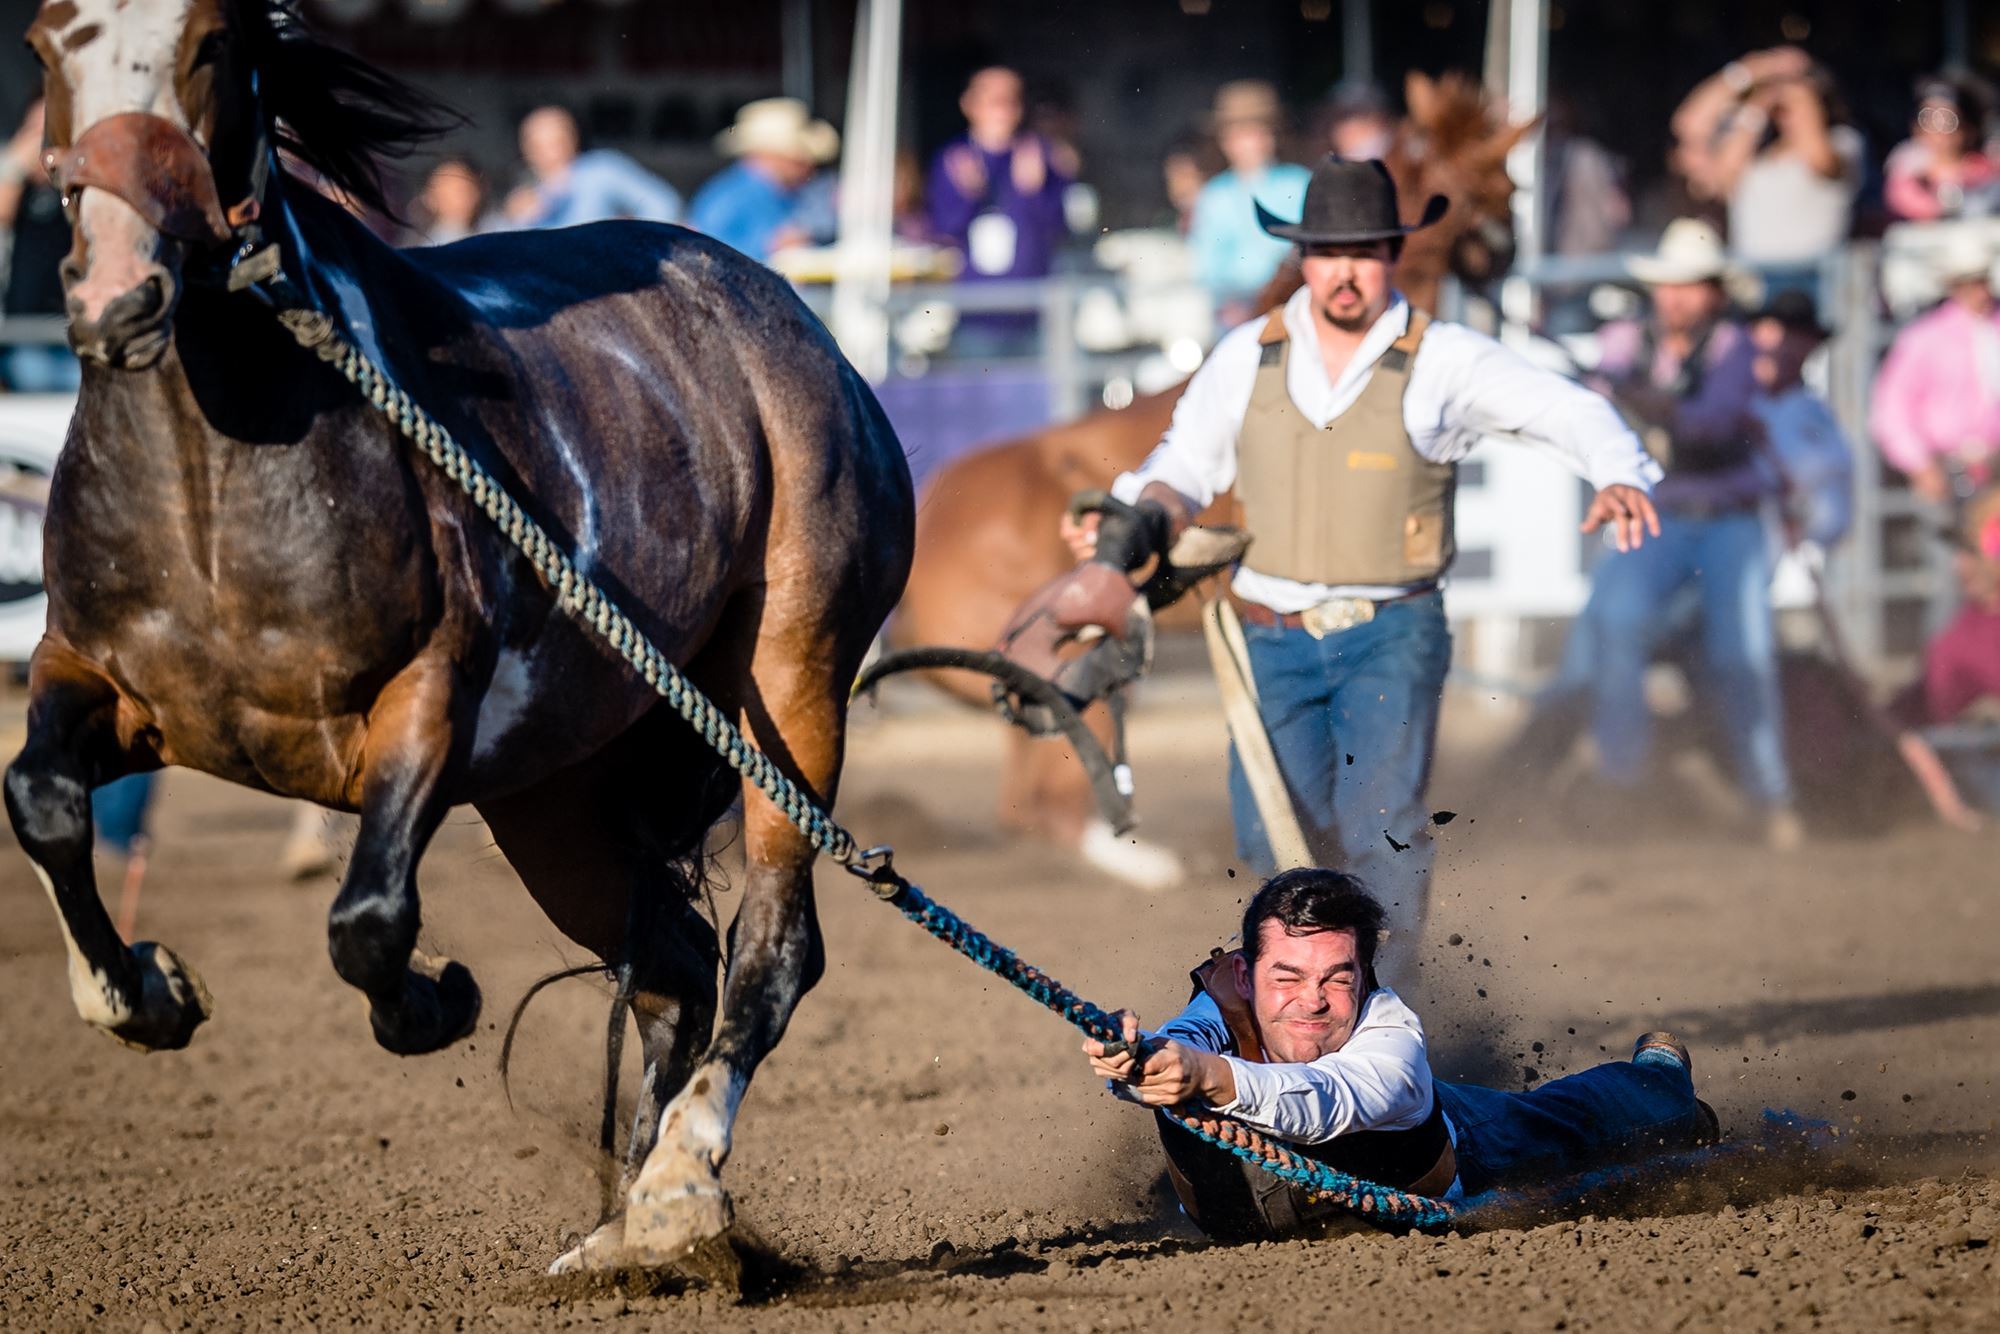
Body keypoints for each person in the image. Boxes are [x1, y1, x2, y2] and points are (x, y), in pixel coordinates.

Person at [1062, 159, 1660, 980]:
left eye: (1364, 251)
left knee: (1382, 824)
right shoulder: (1248, 355)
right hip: (1269, 636)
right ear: (1304, 259)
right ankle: (1305, 1006)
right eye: (1327, 252)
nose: (1345, 272)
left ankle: (1390, 1009)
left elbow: (1566, 408)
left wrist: (1617, 468)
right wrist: (1132, 525)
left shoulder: (1443, 359)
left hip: (1391, 629)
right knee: (1267, 836)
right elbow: (1183, 467)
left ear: (1392, 255)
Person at [1082, 870, 1717, 1241]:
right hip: (1283, 1193)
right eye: (1287, 977)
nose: (1312, 1001)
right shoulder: (1215, 1014)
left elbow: (1326, 1102)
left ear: (1365, 976)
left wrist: (1210, 1079)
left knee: (1574, 1119)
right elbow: (1177, 1048)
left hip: (1460, 1145)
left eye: (1337, 978)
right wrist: (1135, 1063)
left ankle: (1658, 1079)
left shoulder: (1392, 1039)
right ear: (1245, 976)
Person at [1572, 218, 1800, 848]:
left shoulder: (1736, 350)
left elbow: (1713, 425)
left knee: (1741, 658)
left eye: (1691, 286)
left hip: (1729, 521)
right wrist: (1618, 393)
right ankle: (1623, 784)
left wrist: (1642, 398)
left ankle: (1767, 793)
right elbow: (1596, 395)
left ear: (1714, 293)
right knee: (1614, 623)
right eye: (1669, 285)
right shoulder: (1627, 340)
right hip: (1660, 515)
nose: (1676, 298)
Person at [1671, 47, 1862, 269]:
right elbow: (1689, 127)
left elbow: (1821, 162)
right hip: (1751, 275)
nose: (1783, 111)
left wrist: (1799, 95)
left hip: (1811, 278)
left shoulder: (1843, 141)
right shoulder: (1754, 150)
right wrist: (1756, 71)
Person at [926, 67, 1071, 353]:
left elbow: (1060, 227)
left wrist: (1032, 193)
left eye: (1012, 100)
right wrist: (968, 196)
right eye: (994, 101)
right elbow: (944, 229)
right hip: (977, 315)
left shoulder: (1042, 155)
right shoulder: (954, 159)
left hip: (1033, 311)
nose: (1004, 109)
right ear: (970, 105)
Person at [1869, 230, 2000, 505]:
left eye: (1982, 282)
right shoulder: (1924, 338)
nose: (1979, 292)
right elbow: (1892, 406)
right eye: (1969, 283)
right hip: (1947, 466)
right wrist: (1918, 462)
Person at [1187, 81, 1312, 324]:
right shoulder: (1214, 196)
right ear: (1224, 140)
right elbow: (1208, 266)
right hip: (1235, 312)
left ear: (1273, 134)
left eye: (1257, 132)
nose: (1249, 142)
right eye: (1238, 134)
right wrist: (1231, 303)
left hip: (1294, 304)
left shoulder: (1299, 183)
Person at [1748, 289, 1851, 553]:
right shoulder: (1728, 400)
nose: (1783, 347)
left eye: (1795, 338)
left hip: (1792, 554)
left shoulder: (1813, 413)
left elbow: (1834, 502)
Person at [688, 98, 840, 264]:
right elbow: (705, 255)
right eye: (799, 157)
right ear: (774, 155)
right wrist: (773, 247)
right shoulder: (727, 198)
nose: (809, 165)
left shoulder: (787, 192)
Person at [0, 100, 81, 393]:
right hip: (25, 342)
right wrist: (15, 166)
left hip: (78, 339)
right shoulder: (18, 188)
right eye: (36, 131)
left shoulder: (78, 190)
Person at [502, 106, 683, 230]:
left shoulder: (600, 171)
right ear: (525, 150)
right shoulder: (526, 196)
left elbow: (664, 205)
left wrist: (629, 239)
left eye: (556, 143)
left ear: (573, 140)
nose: (549, 154)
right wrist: (515, 219)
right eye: (538, 145)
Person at [1884, 76, 1999, 222]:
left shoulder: (1985, 169)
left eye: (1948, 120)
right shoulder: (1908, 169)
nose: (1937, 130)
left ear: (1969, 129)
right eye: (1927, 118)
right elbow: (1903, 203)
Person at [412, 156, 489, 246]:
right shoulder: (428, 246)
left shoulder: (496, 228)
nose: (462, 194)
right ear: (430, 198)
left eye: (464, 187)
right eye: (450, 188)